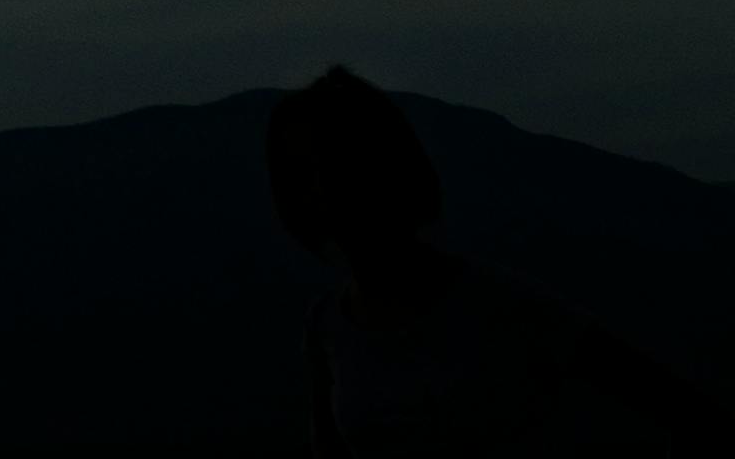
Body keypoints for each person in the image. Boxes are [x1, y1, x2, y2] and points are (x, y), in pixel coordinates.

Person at [266, 63, 731, 449]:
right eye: (303, 174)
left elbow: (668, 399)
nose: (320, 188)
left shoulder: (497, 305)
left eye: (334, 166)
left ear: (383, 169)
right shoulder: (327, 327)